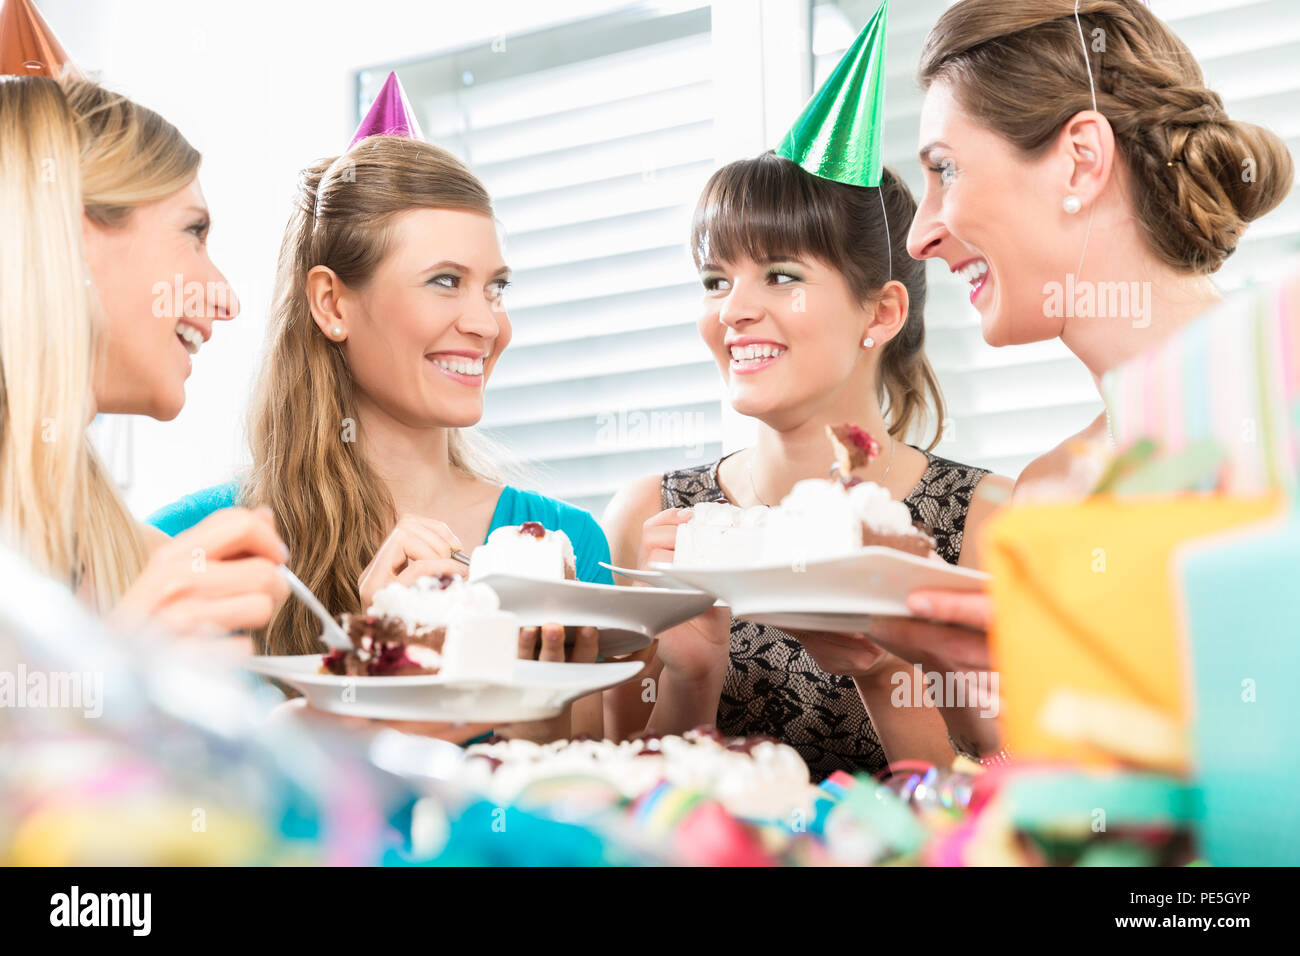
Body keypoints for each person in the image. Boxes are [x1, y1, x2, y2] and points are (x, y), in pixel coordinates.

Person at [857, 0, 1295, 758]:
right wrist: (940, 653)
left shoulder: (1278, 378)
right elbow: (1066, 801)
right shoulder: (1052, 494)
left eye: (947, 170)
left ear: (1080, 160)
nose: (920, 234)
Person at [149, 81, 612, 739]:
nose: (486, 323)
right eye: (445, 281)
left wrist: (538, 719)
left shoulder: (571, 550)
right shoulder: (193, 551)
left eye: (496, 288)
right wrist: (384, 658)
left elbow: (584, 806)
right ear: (332, 305)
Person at [601, 152, 1013, 775]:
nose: (732, 311)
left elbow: (1008, 822)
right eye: (716, 280)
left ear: (881, 313)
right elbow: (610, 818)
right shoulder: (650, 521)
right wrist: (693, 677)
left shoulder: (991, 522)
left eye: (781, 275)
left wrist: (885, 672)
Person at [0, 74, 288, 635]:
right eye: (194, 233)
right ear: (73, 238)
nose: (225, 299)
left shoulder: (125, 550)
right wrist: (129, 667)